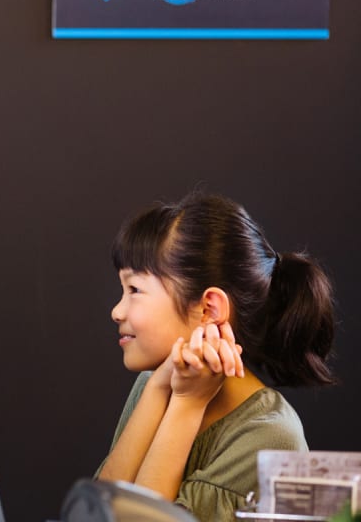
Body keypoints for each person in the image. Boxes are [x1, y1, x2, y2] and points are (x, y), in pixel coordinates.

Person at [97, 192, 336, 520]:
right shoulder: (153, 383)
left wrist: (187, 404)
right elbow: (94, 513)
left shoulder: (270, 437)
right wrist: (157, 389)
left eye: (134, 290)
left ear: (209, 309)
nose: (116, 311)